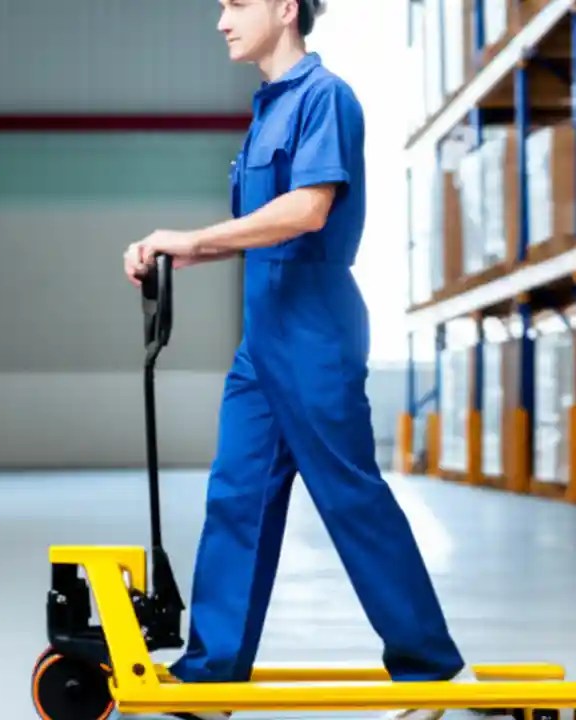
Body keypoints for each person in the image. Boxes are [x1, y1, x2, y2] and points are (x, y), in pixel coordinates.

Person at [122, 1, 466, 718]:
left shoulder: (324, 98)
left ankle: (429, 667)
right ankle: (212, 674)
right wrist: (174, 253)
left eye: (237, 3)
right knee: (236, 496)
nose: (222, 19)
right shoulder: (266, 114)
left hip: (313, 330)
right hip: (263, 335)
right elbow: (254, 231)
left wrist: (191, 239)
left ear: (286, 9)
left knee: (349, 496)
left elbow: (307, 209)